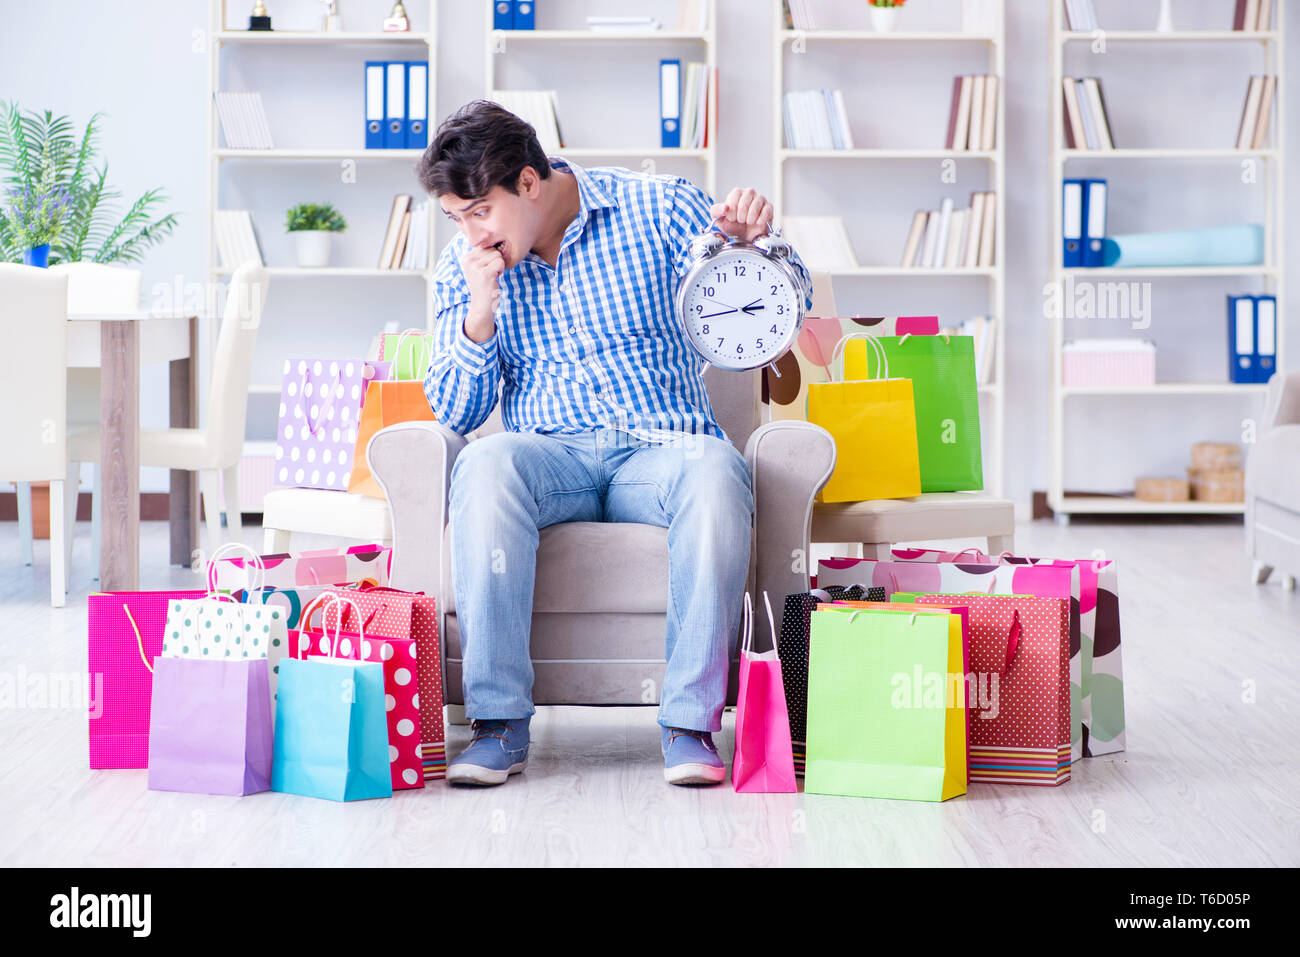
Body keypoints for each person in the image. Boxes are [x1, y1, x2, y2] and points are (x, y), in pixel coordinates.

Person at [415, 100, 809, 787]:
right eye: (456, 217)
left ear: (529, 182)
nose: (470, 233)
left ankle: (688, 725)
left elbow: (783, 304)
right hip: (549, 456)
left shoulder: (657, 208)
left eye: (479, 211)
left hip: (663, 448)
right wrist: (481, 317)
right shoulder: (466, 269)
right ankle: (498, 725)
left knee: (718, 472)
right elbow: (455, 407)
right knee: (483, 463)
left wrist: (755, 247)